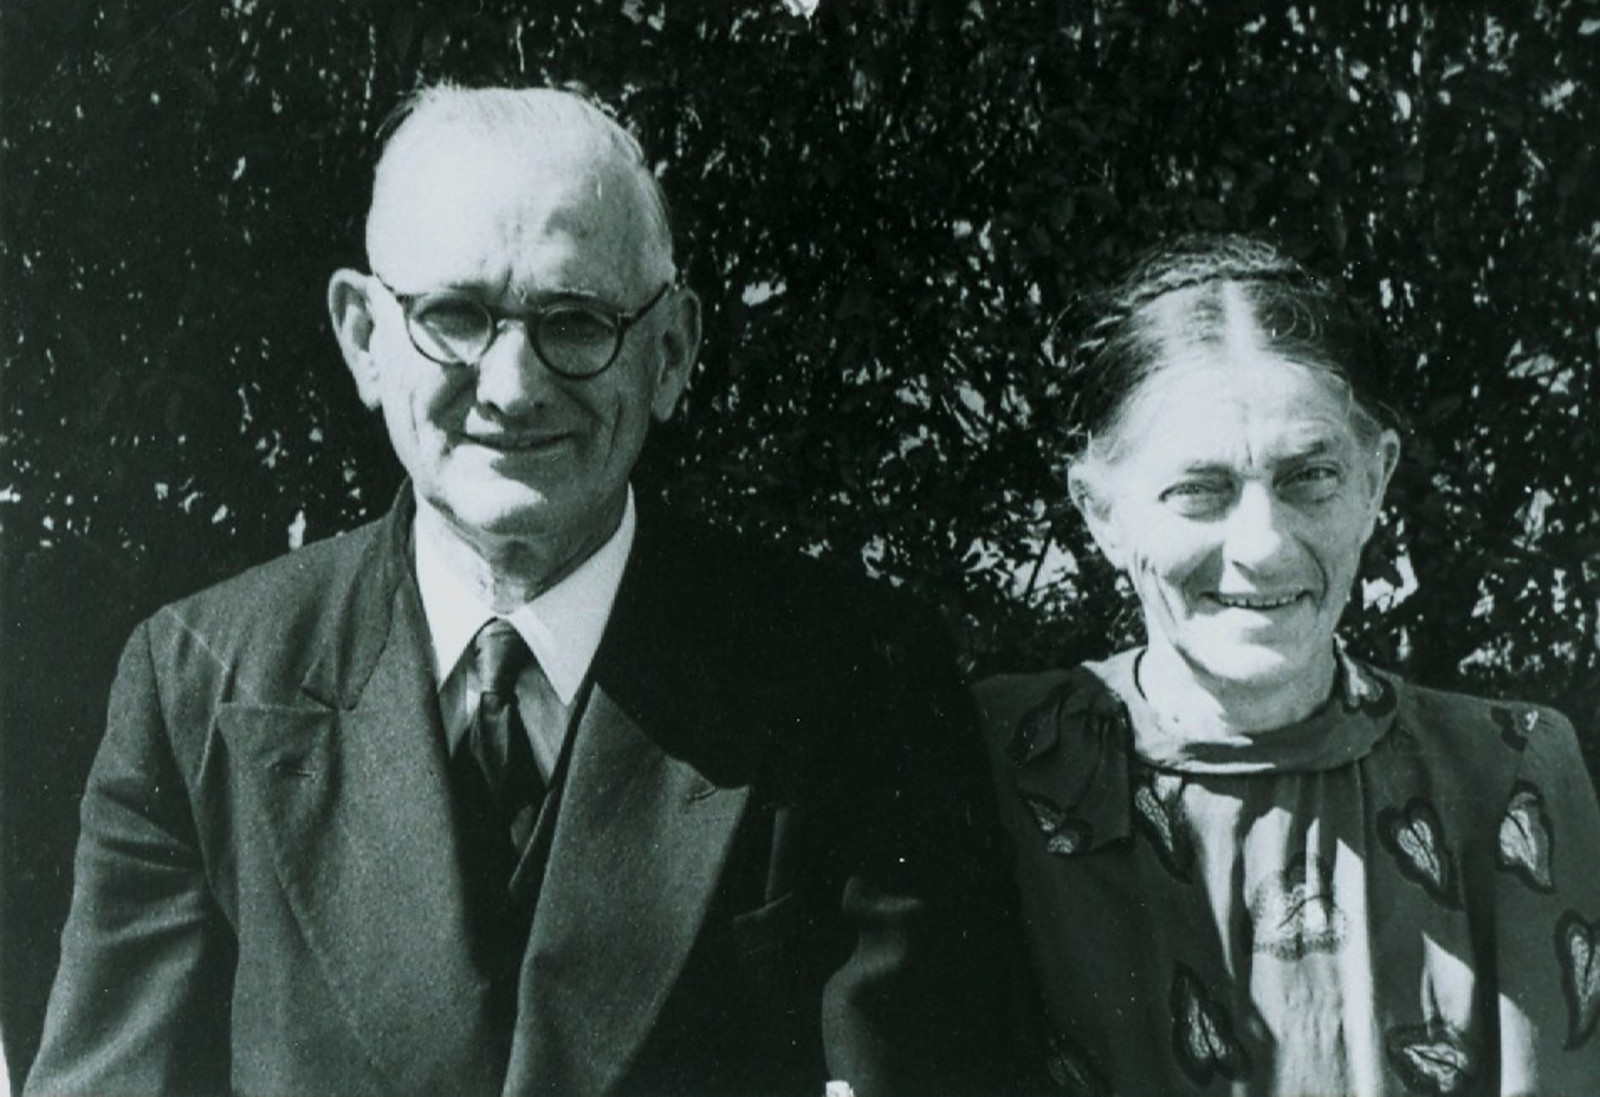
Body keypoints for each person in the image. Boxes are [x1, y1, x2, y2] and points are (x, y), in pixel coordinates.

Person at [26, 85, 1010, 1097]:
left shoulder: (856, 678)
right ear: (366, 336)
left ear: (671, 352)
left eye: (575, 320)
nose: (510, 385)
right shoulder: (200, 681)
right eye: (453, 316)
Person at [976, 234, 1600, 1095]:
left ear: (1377, 480)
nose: (1263, 548)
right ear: (1102, 512)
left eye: (1312, 476)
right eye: (1199, 489)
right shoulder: (997, 762)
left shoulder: (1508, 772)